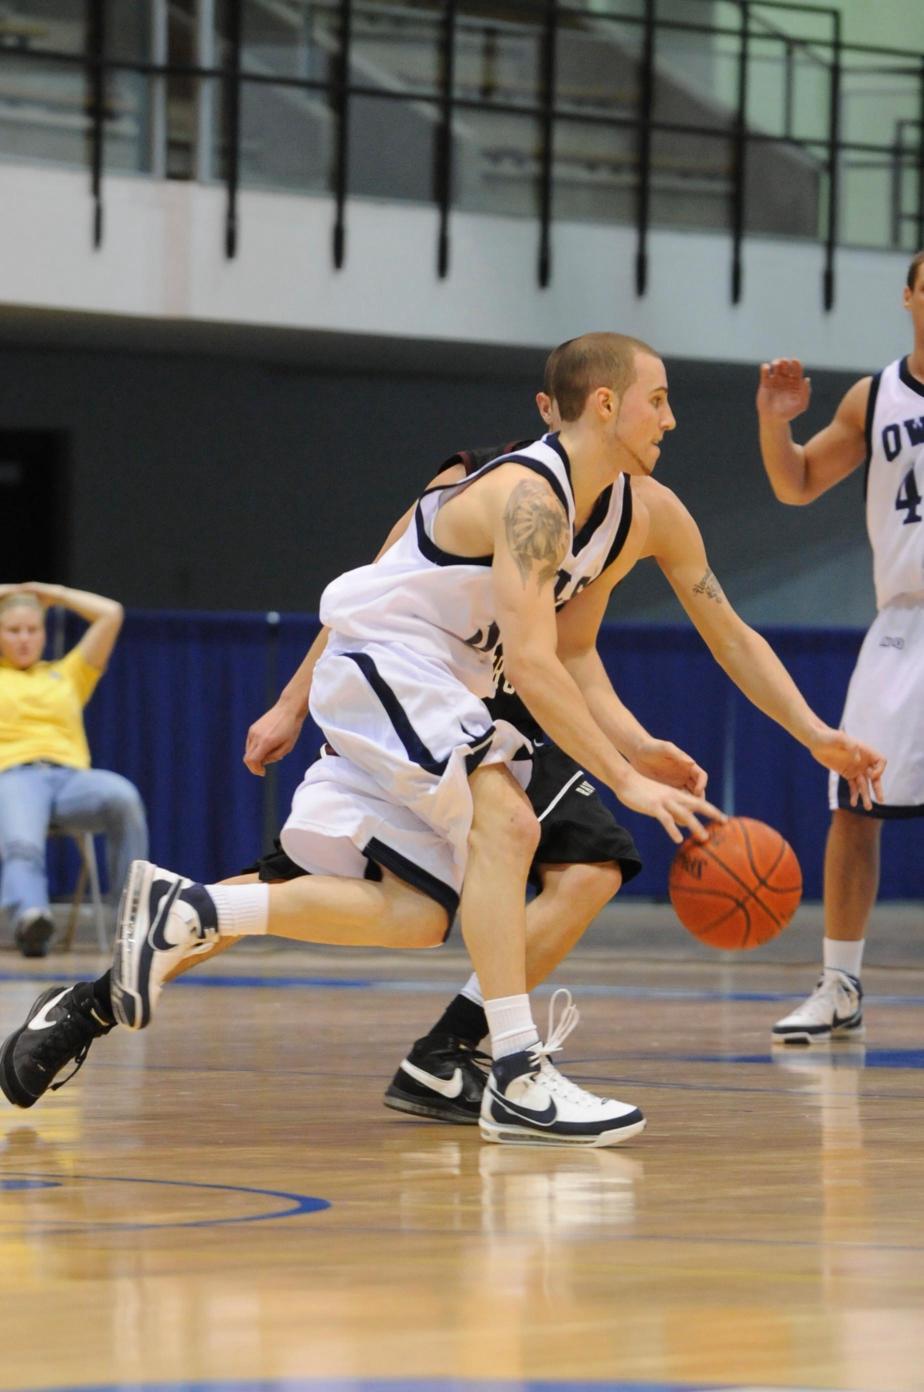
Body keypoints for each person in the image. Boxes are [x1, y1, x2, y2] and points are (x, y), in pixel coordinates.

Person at [1, 335, 883, 1143]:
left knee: (422, 914)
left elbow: (689, 638)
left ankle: (194, 915)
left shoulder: (638, 514)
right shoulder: (517, 493)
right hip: (397, 667)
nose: (674, 418)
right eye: (660, 399)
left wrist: (808, 735)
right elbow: (468, 632)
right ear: (602, 404)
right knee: (509, 826)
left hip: (452, 688)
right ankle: (516, 1070)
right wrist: (624, 775)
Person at [756, 251, 924, 1045]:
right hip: (903, 626)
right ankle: (840, 984)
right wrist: (776, 420)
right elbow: (794, 484)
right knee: (857, 802)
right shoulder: (876, 395)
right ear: (908, 295)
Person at [0, 583, 148, 958]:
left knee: (123, 797)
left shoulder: (66, 674)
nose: (24, 639)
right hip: (13, 775)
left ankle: (131, 920)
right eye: (13, 630)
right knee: (22, 842)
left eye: (32, 630)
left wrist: (50, 593)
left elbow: (111, 613)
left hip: (70, 781)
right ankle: (32, 918)